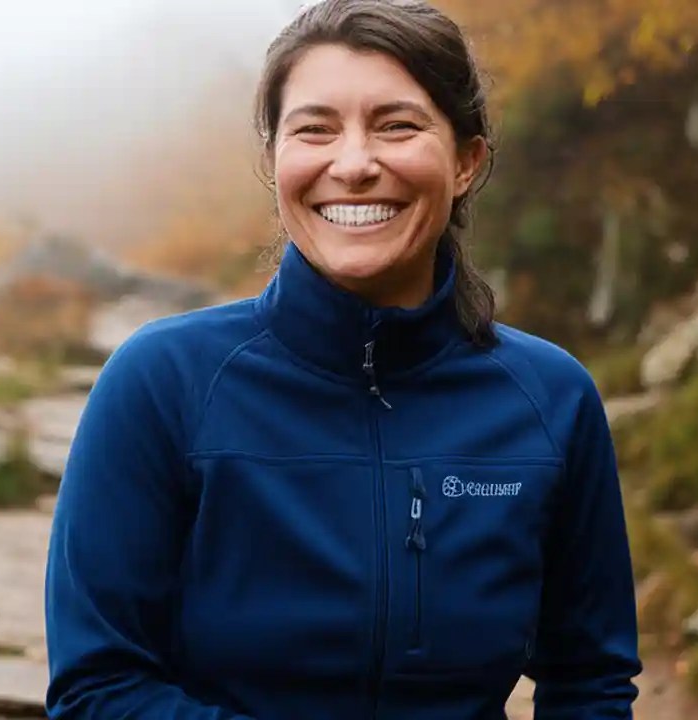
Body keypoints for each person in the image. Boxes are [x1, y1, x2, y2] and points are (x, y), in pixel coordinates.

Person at [43, 0, 642, 717]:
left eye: (397, 125)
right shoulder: (161, 384)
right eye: (315, 129)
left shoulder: (550, 400)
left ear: (465, 161)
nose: (354, 164)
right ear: (274, 162)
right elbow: (97, 687)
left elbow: (590, 679)